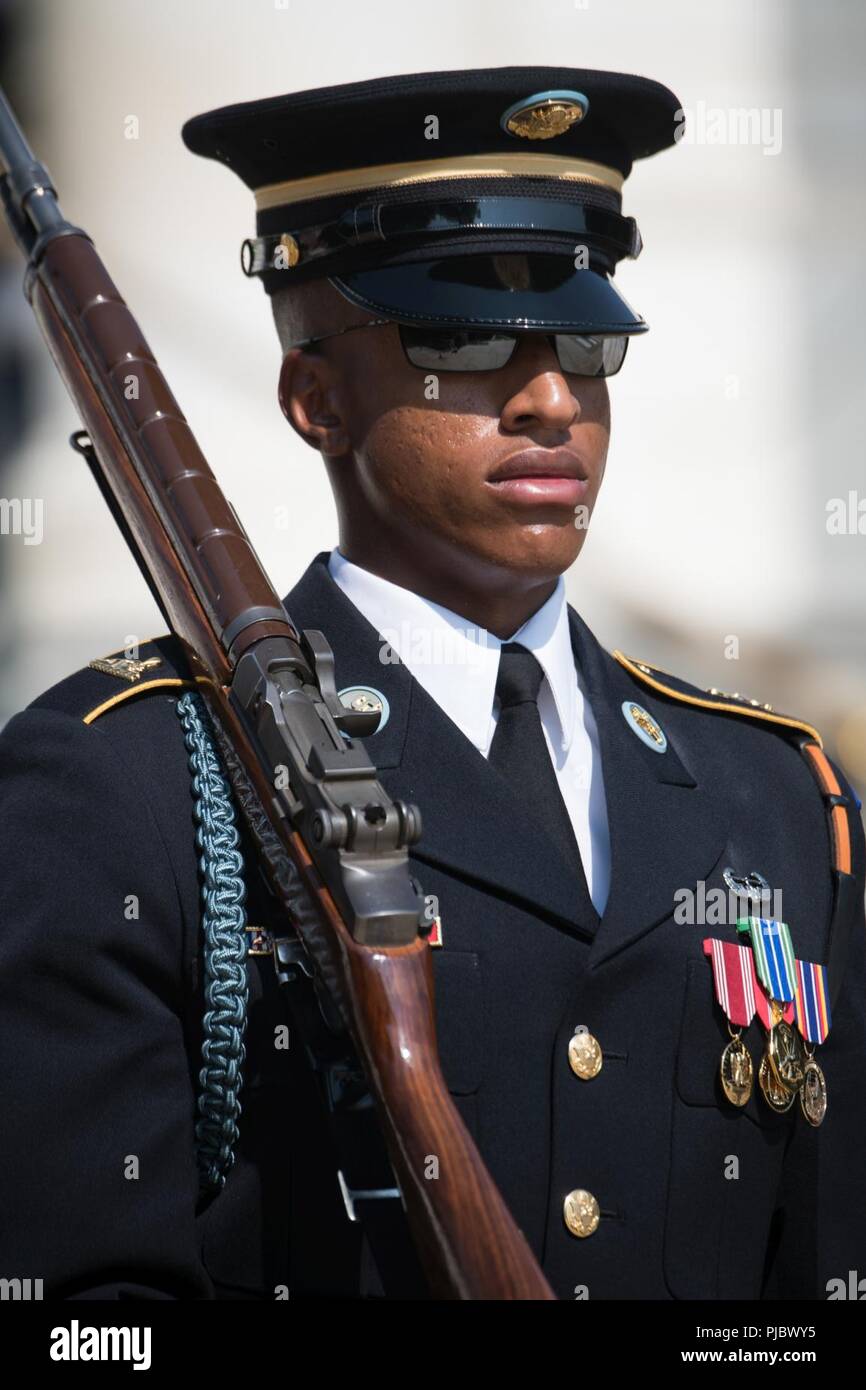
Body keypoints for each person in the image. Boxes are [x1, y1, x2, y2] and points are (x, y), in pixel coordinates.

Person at [0, 65, 864, 1302]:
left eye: (585, 337)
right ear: (315, 398)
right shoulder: (118, 785)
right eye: (459, 338)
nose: (551, 396)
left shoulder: (773, 792)